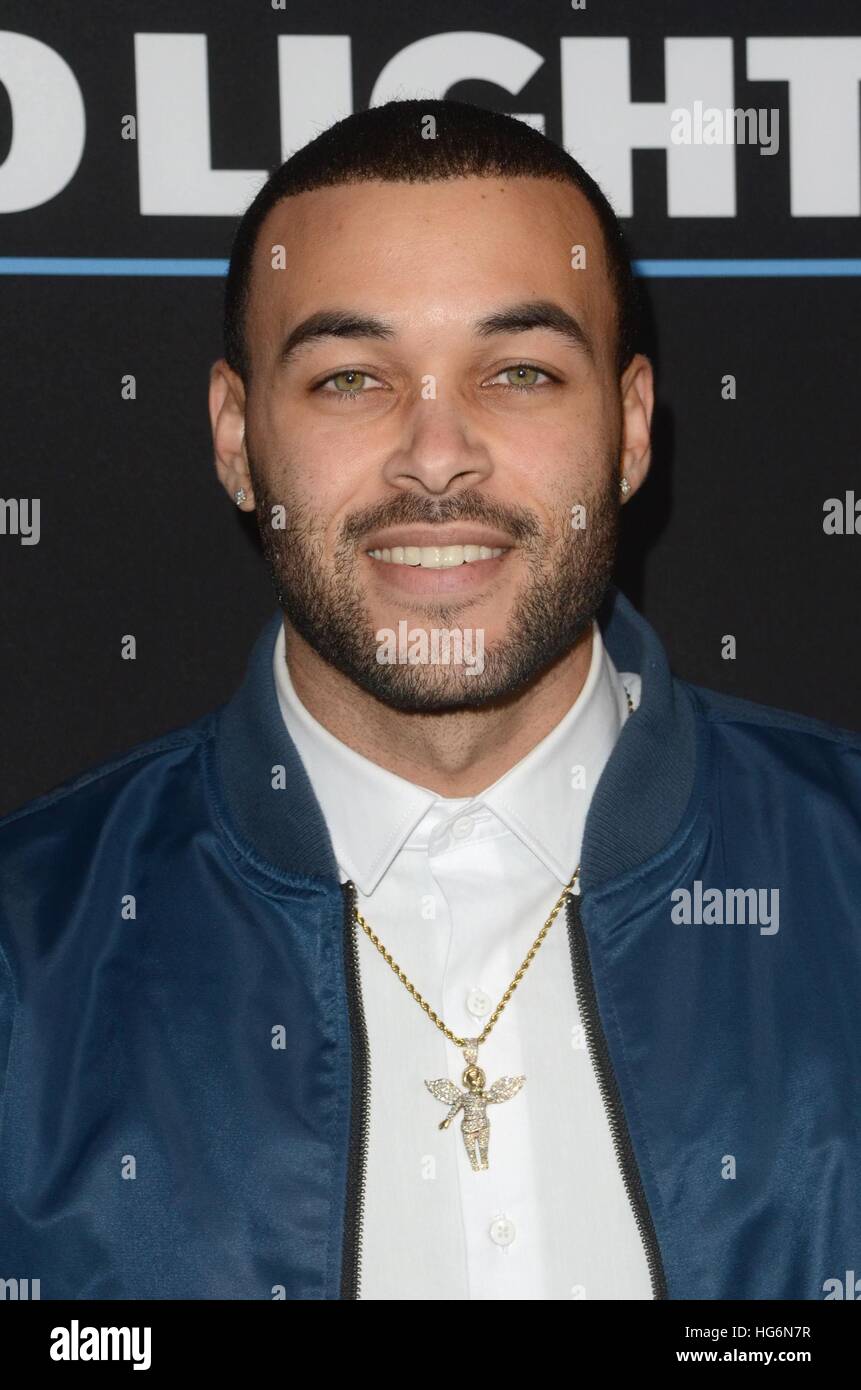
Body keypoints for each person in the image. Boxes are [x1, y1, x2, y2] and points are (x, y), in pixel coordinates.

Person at [0, 98, 859, 1302]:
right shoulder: (28, 962)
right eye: (353, 377)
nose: (438, 456)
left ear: (630, 427)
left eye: (519, 371)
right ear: (238, 438)